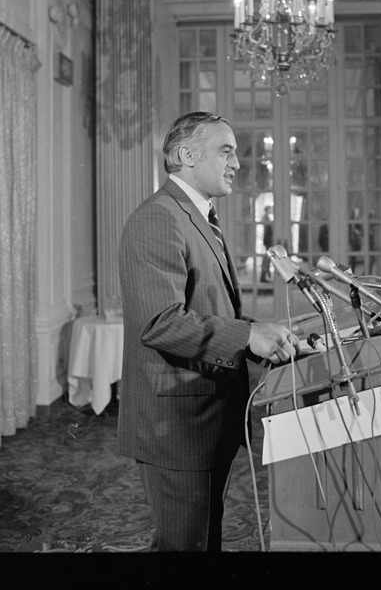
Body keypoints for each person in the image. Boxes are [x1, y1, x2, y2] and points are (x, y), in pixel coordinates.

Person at [117, 111, 300, 551]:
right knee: (185, 547)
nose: (238, 163)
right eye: (226, 151)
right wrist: (248, 334)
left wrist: (263, 338)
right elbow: (160, 322)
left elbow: (210, 311)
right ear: (185, 155)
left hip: (205, 420)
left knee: (203, 544)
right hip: (177, 427)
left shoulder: (197, 216)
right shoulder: (159, 218)